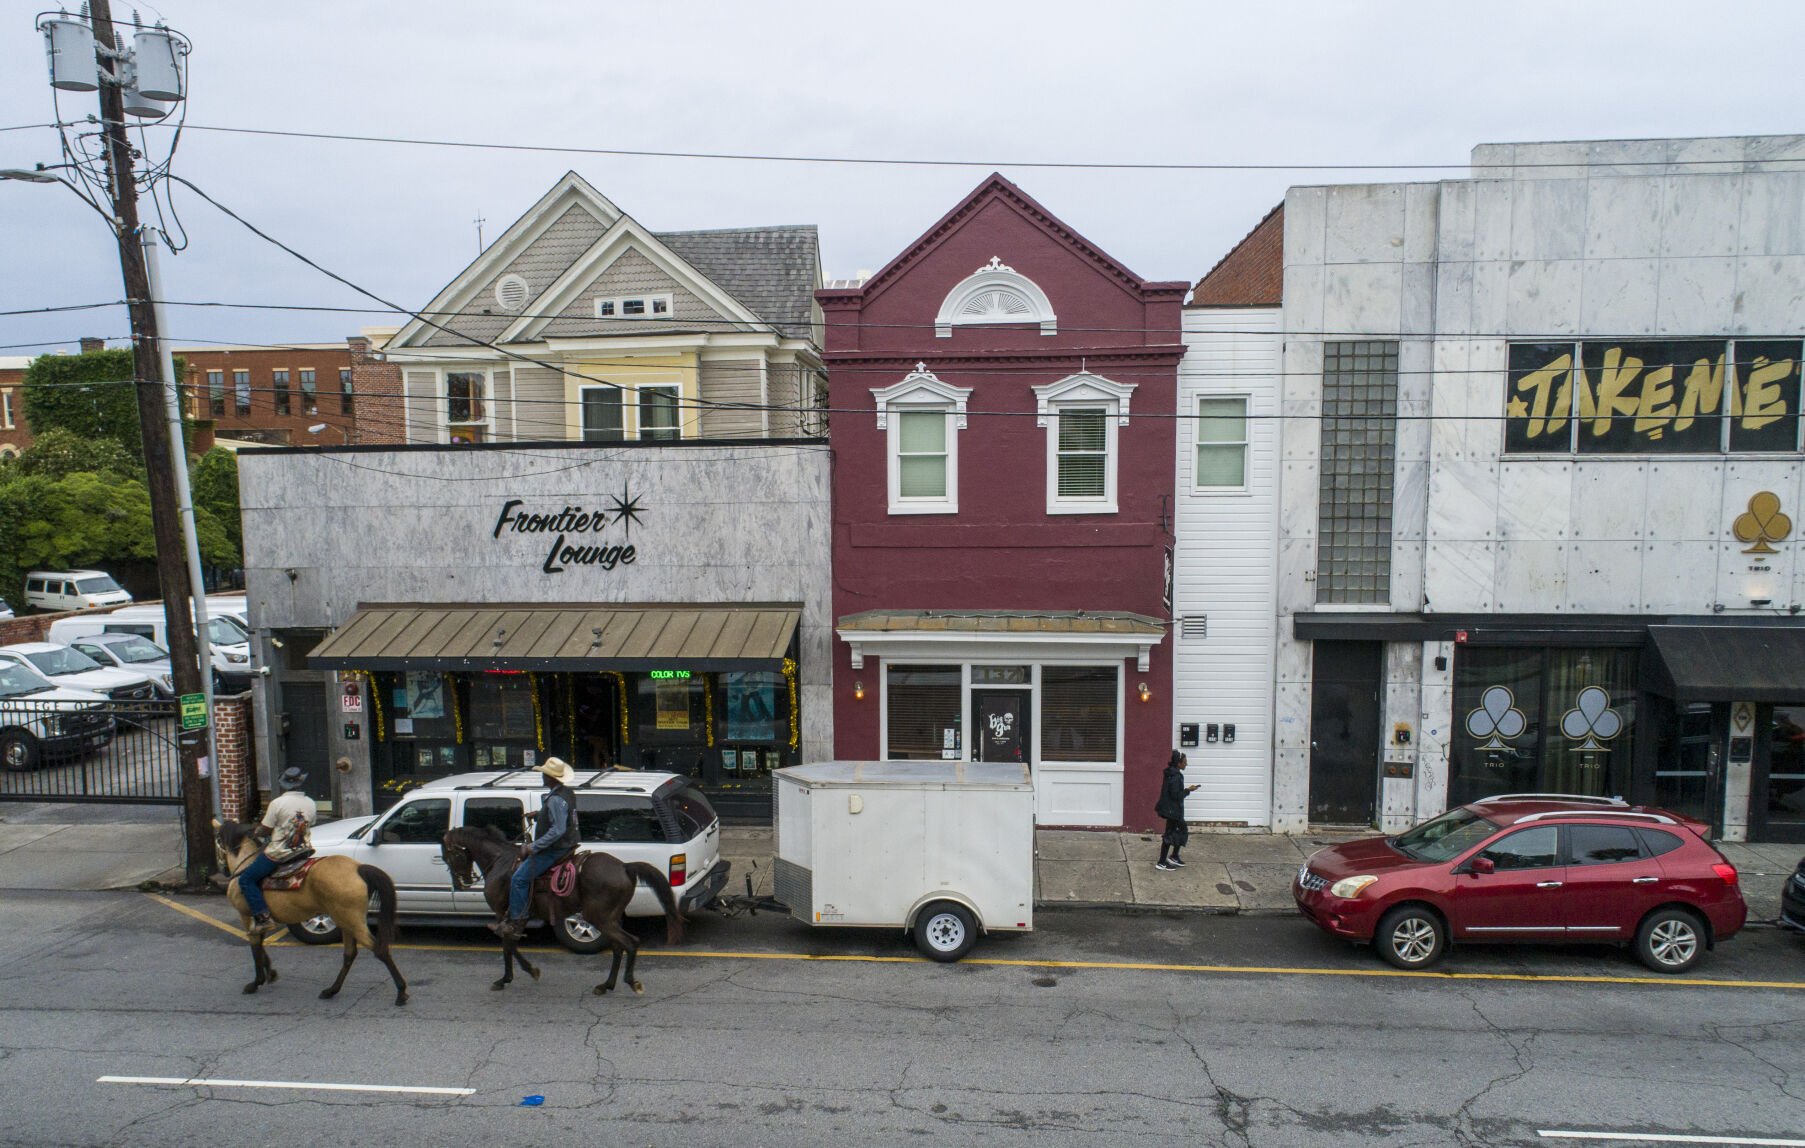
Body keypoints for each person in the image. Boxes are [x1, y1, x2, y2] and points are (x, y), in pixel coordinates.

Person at [490, 757, 580, 940]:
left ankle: (516, 922)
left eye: (545, 775)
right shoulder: (566, 793)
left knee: (519, 878)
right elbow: (562, 817)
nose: (542, 777)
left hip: (555, 849)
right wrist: (540, 815)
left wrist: (532, 847)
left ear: (552, 778)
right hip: (568, 844)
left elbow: (558, 830)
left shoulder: (555, 799)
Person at [238, 766, 317, 937]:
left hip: (280, 853)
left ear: (284, 785)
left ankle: (263, 916)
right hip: (303, 850)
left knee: (246, 879)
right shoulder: (311, 803)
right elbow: (312, 823)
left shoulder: (277, 803)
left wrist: (256, 832)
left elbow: (265, 829)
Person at [1154, 750, 1199, 872]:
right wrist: (1188, 790)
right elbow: (1176, 796)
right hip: (1172, 811)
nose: (1186, 764)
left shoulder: (1172, 773)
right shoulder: (1175, 776)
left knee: (1180, 831)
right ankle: (1161, 862)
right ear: (1178, 763)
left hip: (1172, 810)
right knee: (1170, 835)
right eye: (1184, 762)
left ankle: (1174, 856)